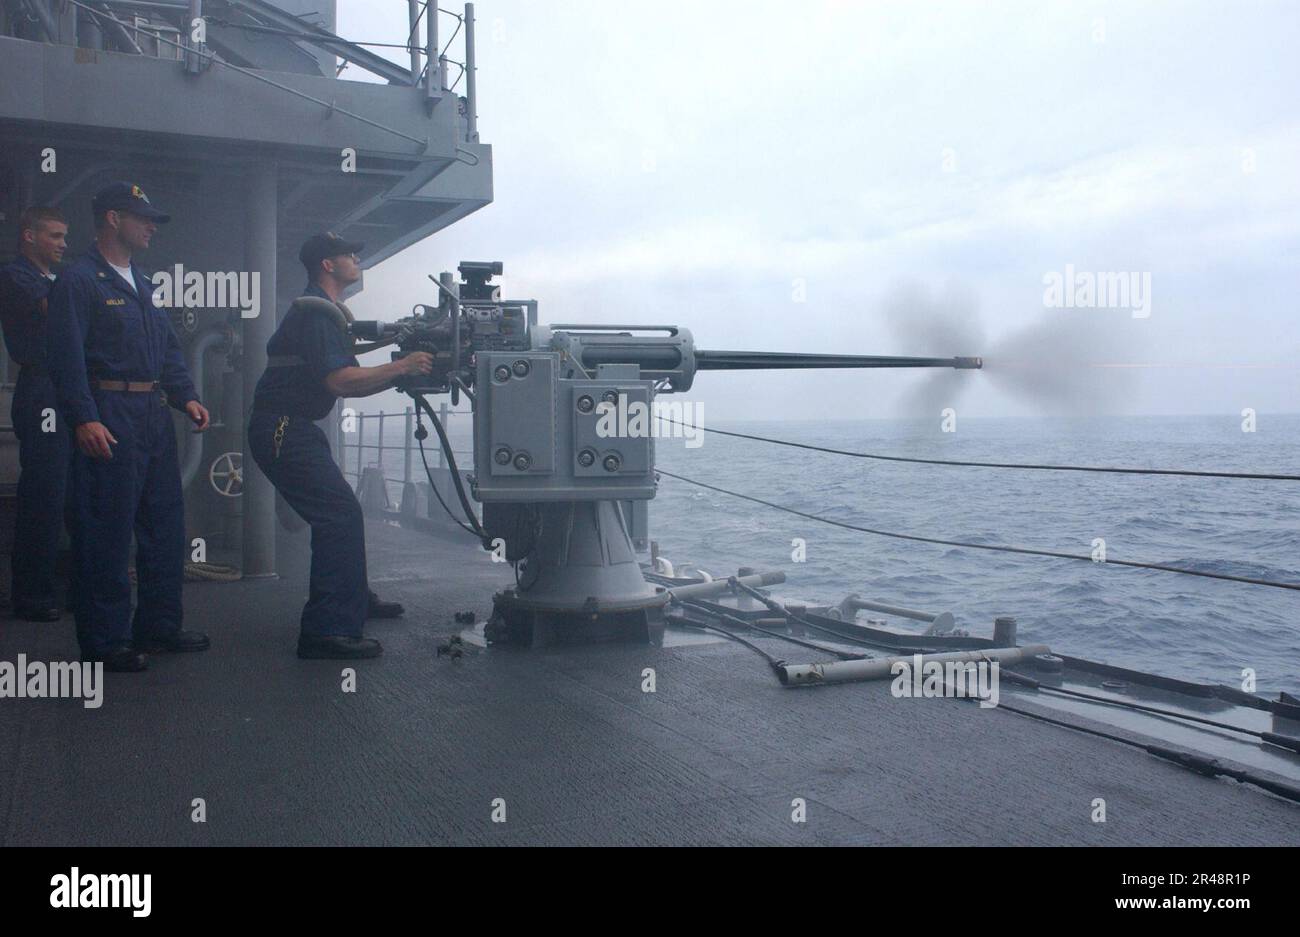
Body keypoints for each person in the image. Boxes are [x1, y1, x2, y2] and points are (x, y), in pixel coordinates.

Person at [45, 183, 211, 672]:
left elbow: (168, 350)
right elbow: (66, 356)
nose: (151, 227)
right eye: (143, 218)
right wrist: (84, 416)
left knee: (164, 525)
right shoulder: (78, 279)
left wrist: (187, 395)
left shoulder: (144, 283)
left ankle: (159, 627)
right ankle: (105, 641)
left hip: (153, 413)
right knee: (107, 529)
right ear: (113, 219)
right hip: (109, 411)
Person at [247, 232, 433, 659]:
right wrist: (401, 366)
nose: (356, 260)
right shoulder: (316, 315)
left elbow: (351, 384)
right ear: (327, 265)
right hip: (283, 428)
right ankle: (325, 631)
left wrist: (399, 373)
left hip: (294, 426)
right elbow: (340, 382)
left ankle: (353, 600)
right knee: (339, 514)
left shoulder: (326, 314)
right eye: (349, 255)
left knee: (343, 511)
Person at [0, 207, 69, 621]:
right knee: (44, 493)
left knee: (75, 493)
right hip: (42, 387)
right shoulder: (15, 276)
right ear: (29, 236)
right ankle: (31, 596)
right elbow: (56, 311)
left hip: (70, 387)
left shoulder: (58, 280)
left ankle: (70, 588)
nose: (63, 244)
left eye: (64, 236)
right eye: (54, 236)